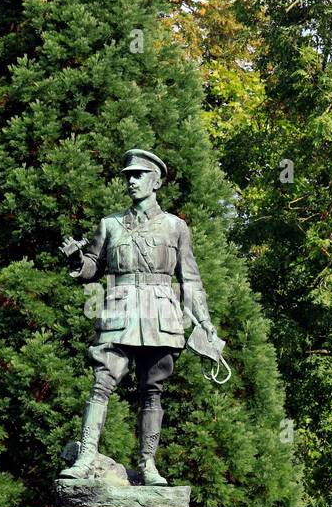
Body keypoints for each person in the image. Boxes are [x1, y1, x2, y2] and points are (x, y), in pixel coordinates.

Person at [60, 148, 217, 483]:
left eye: (139, 175)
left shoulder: (176, 227)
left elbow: (189, 279)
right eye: (128, 175)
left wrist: (205, 324)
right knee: (102, 383)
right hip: (119, 311)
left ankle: (148, 465)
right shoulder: (110, 225)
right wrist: (77, 261)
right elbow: (92, 267)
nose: (131, 181)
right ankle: (86, 456)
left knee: (152, 390)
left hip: (161, 315)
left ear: (155, 181)